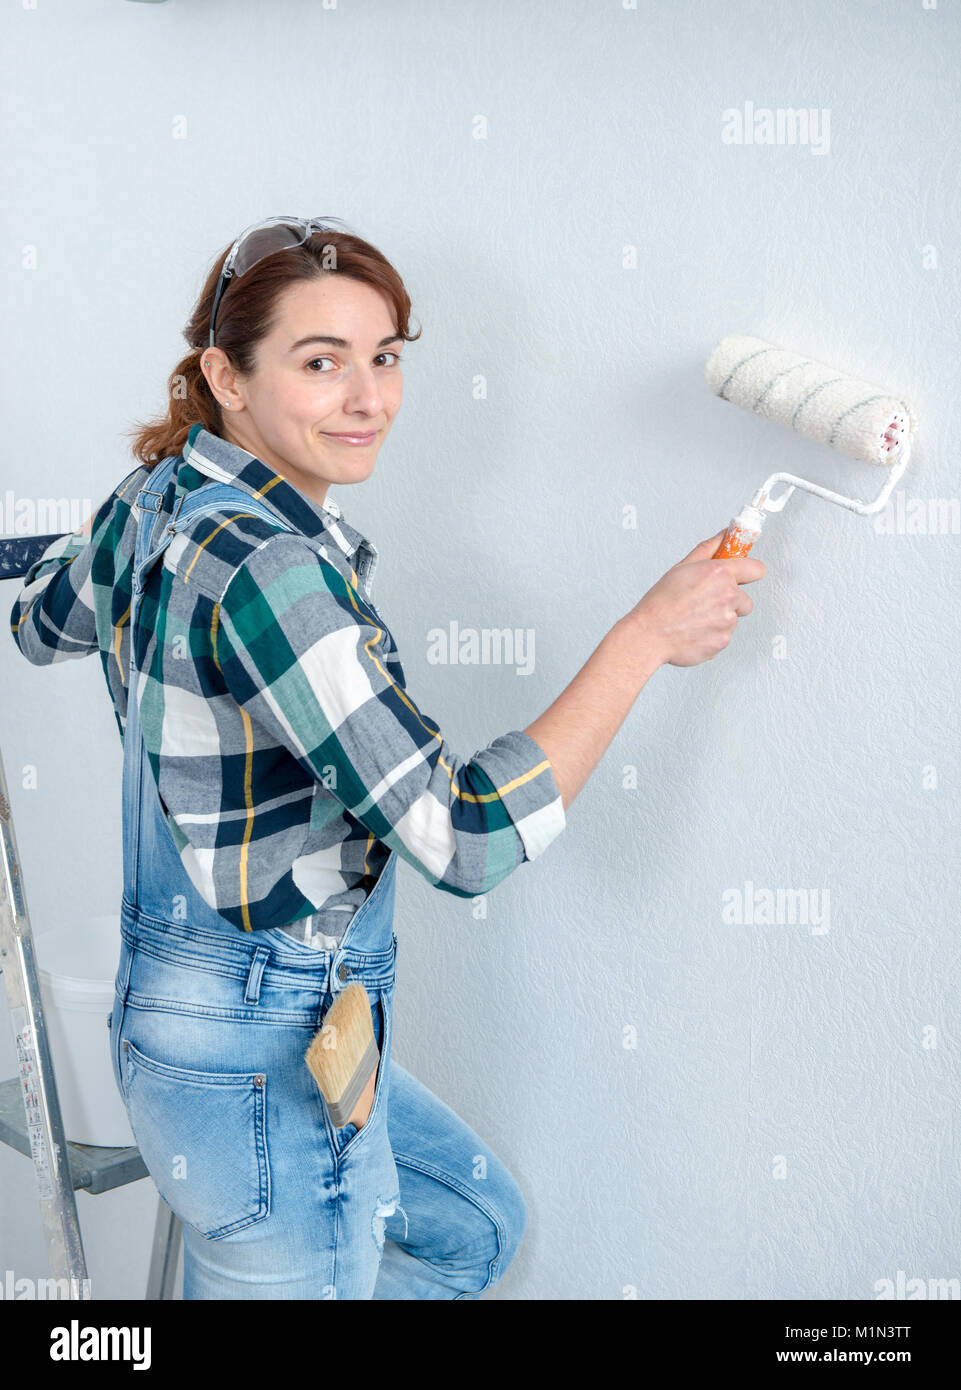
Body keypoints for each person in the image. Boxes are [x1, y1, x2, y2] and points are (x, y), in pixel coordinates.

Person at [9, 216, 765, 1299]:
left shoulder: (153, 498)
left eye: (386, 358)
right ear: (226, 374)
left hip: (188, 1029)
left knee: (476, 1226)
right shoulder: (275, 573)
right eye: (322, 364)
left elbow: (42, 624)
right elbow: (462, 839)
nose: (370, 400)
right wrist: (644, 635)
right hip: (257, 1050)